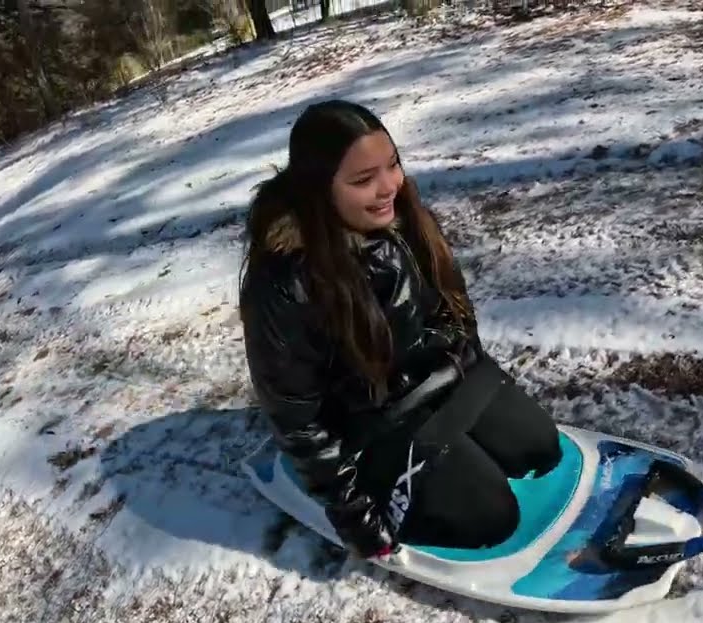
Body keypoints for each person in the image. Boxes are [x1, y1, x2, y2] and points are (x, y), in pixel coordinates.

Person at [238, 99, 562, 559]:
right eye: (363, 180)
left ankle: (463, 453)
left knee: (540, 450)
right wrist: (358, 519)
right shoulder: (286, 281)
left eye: (392, 165)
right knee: (492, 517)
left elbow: (454, 309)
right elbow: (297, 419)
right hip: (371, 425)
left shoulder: (402, 218)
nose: (389, 186)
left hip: (439, 384)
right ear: (318, 190)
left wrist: (470, 370)